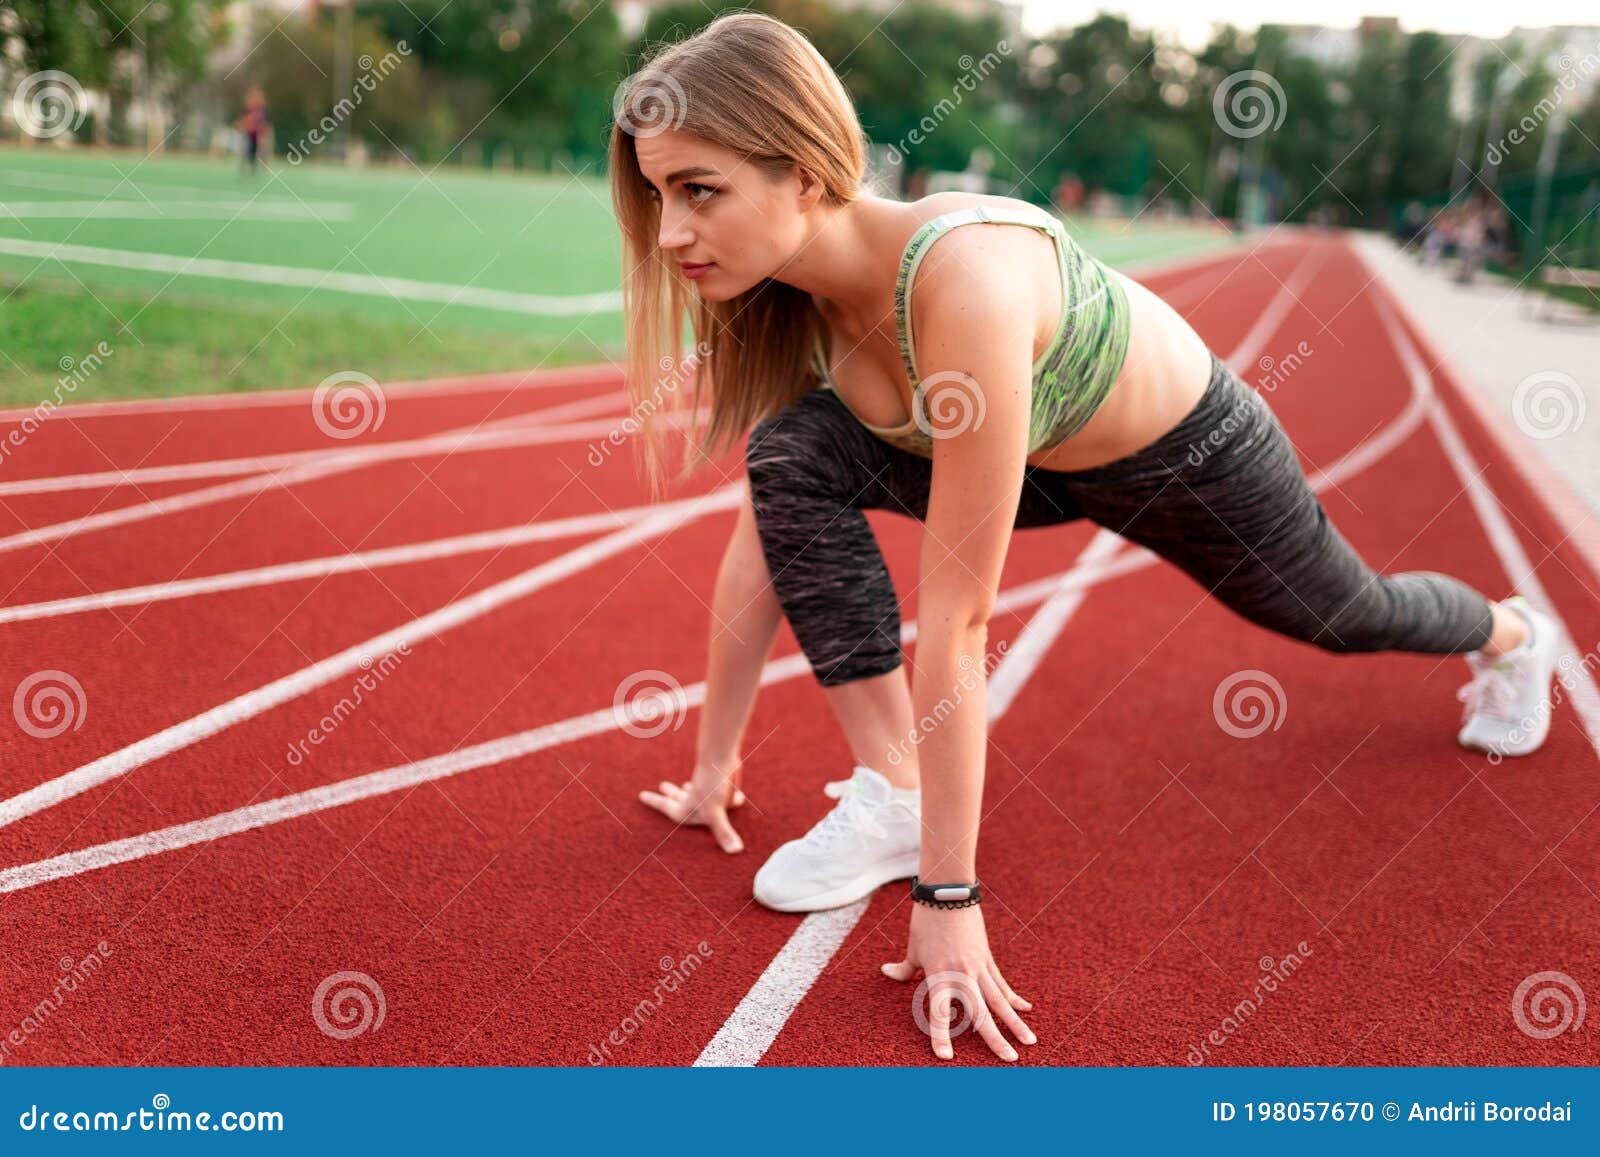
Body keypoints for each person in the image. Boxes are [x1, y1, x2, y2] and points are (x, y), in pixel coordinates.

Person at [609, 13, 1561, 1063]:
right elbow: (762, 542)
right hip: (1042, 466)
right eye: (656, 195)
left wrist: (951, 895)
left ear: (802, 170)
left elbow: (961, 618)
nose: (669, 234)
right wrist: (713, 766)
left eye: (698, 190)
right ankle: (891, 790)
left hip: (1186, 454)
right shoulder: (788, 304)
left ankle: (1511, 632)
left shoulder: (960, 278)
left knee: (1341, 612)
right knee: (790, 456)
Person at [234, 87, 269, 176]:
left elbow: (263, 120)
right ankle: (245, 166)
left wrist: (262, 128)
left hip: (256, 132)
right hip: (248, 131)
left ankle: (254, 166)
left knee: (256, 149)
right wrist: (241, 125)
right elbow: (243, 117)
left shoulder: (262, 108)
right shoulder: (249, 107)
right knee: (247, 149)